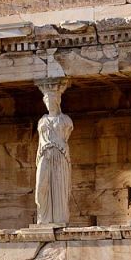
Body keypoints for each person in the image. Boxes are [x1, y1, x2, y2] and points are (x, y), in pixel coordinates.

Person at [35, 81, 73, 225]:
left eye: (51, 101)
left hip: (59, 154)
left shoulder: (65, 120)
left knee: (59, 188)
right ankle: (43, 218)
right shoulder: (42, 121)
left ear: (57, 101)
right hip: (44, 154)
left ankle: (59, 219)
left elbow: (66, 137)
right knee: (41, 187)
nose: (49, 104)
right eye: (47, 101)